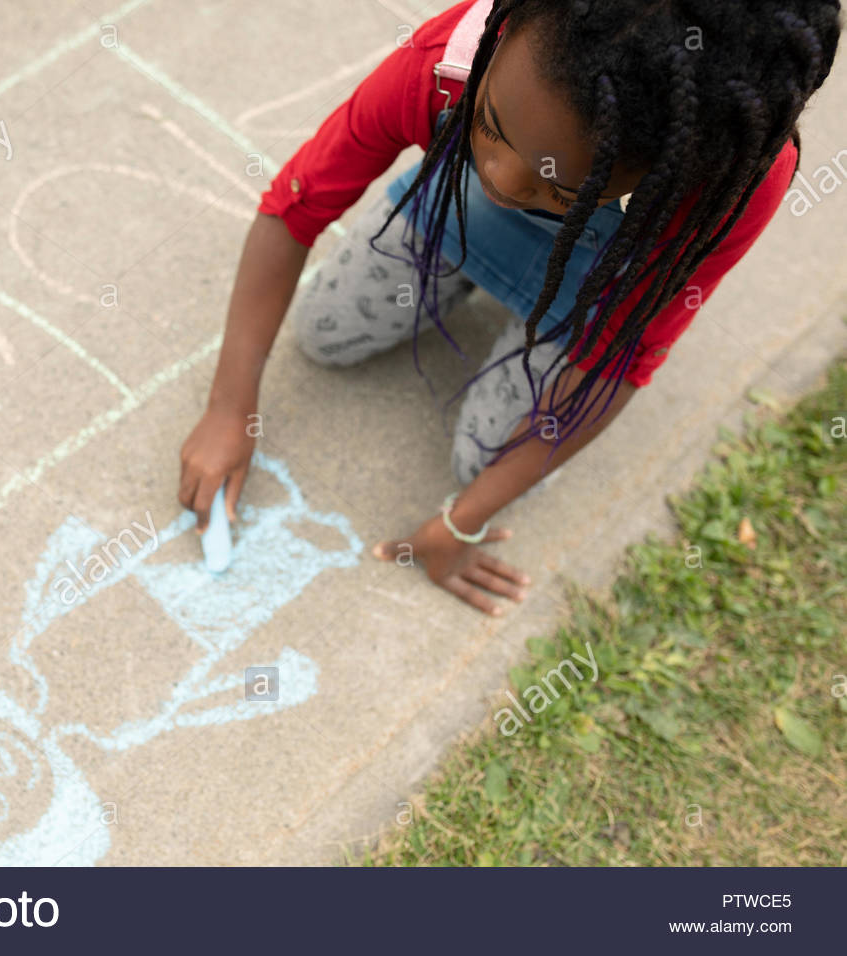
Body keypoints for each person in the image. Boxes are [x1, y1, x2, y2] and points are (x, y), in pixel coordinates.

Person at [177, 0, 840, 615]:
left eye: (559, 183)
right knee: (323, 333)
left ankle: (543, 211)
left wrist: (462, 521)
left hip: (596, 276)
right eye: (490, 125)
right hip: (456, 210)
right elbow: (298, 203)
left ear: (671, 169)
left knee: (486, 464)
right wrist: (228, 407)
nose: (498, 177)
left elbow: (623, 360)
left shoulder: (724, 188)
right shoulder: (450, 59)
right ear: (504, 26)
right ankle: (510, 186)